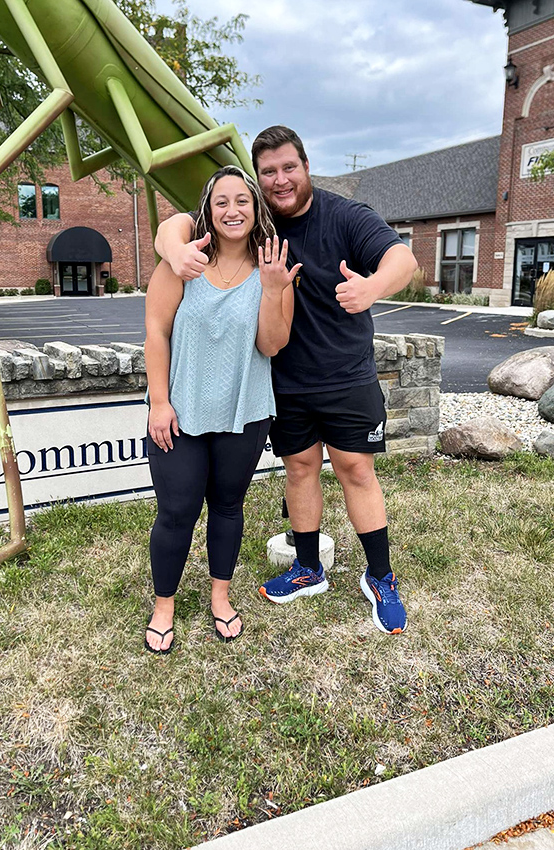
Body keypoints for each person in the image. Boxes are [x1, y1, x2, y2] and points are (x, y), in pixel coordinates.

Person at [155, 126, 419, 636]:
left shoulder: (346, 216)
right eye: (269, 172)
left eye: (289, 168)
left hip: (345, 374)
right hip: (285, 380)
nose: (280, 180)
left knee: (355, 470)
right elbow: (179, 223)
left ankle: (381, 577)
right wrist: (173, 250)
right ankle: (308, 568)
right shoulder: (254, 216)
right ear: (259, 179)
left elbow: (402, 258)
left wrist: (372, 288)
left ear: (306, 166)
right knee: (299, 469)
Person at [144, 164, 299, 653]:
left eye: (242, 201)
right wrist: (159, 402)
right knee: (177, 511)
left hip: (244, 413)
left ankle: (220, 596)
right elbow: (155, 333)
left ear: (256, 210)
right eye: (222, 202)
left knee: (228, 507)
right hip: (180, 412)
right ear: (208, 212)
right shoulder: (183, 261)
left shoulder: (271, 271)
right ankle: (164, 606)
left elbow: (271, 345)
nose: (233, 210)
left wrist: (273, 290)